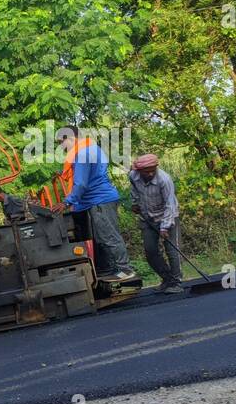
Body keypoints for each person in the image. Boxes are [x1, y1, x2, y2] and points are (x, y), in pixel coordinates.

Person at [51, 126, 136, 283]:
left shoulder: (82, 154)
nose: (61, 147)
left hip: (99, 200)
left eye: (61, 142)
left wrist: (66, 202)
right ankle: (113, 270)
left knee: (108, 236)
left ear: (71, 139)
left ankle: (125, 270)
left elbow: (81, 184)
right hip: (98, 200)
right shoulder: (92, 148)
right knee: (102, 237)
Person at [128, 154, 183, 294]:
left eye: (153, 170)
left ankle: (177, 283)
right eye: (147, 171)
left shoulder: (164, 179)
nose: (150, 173)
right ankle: (167, 279)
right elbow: (134, 190)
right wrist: (135, 203)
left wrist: (165, 226)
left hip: (168, 216)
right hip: (147, 218)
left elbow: (170, 204)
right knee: (150, 251)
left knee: (173, 250)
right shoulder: (133, 176)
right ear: (139, 171)